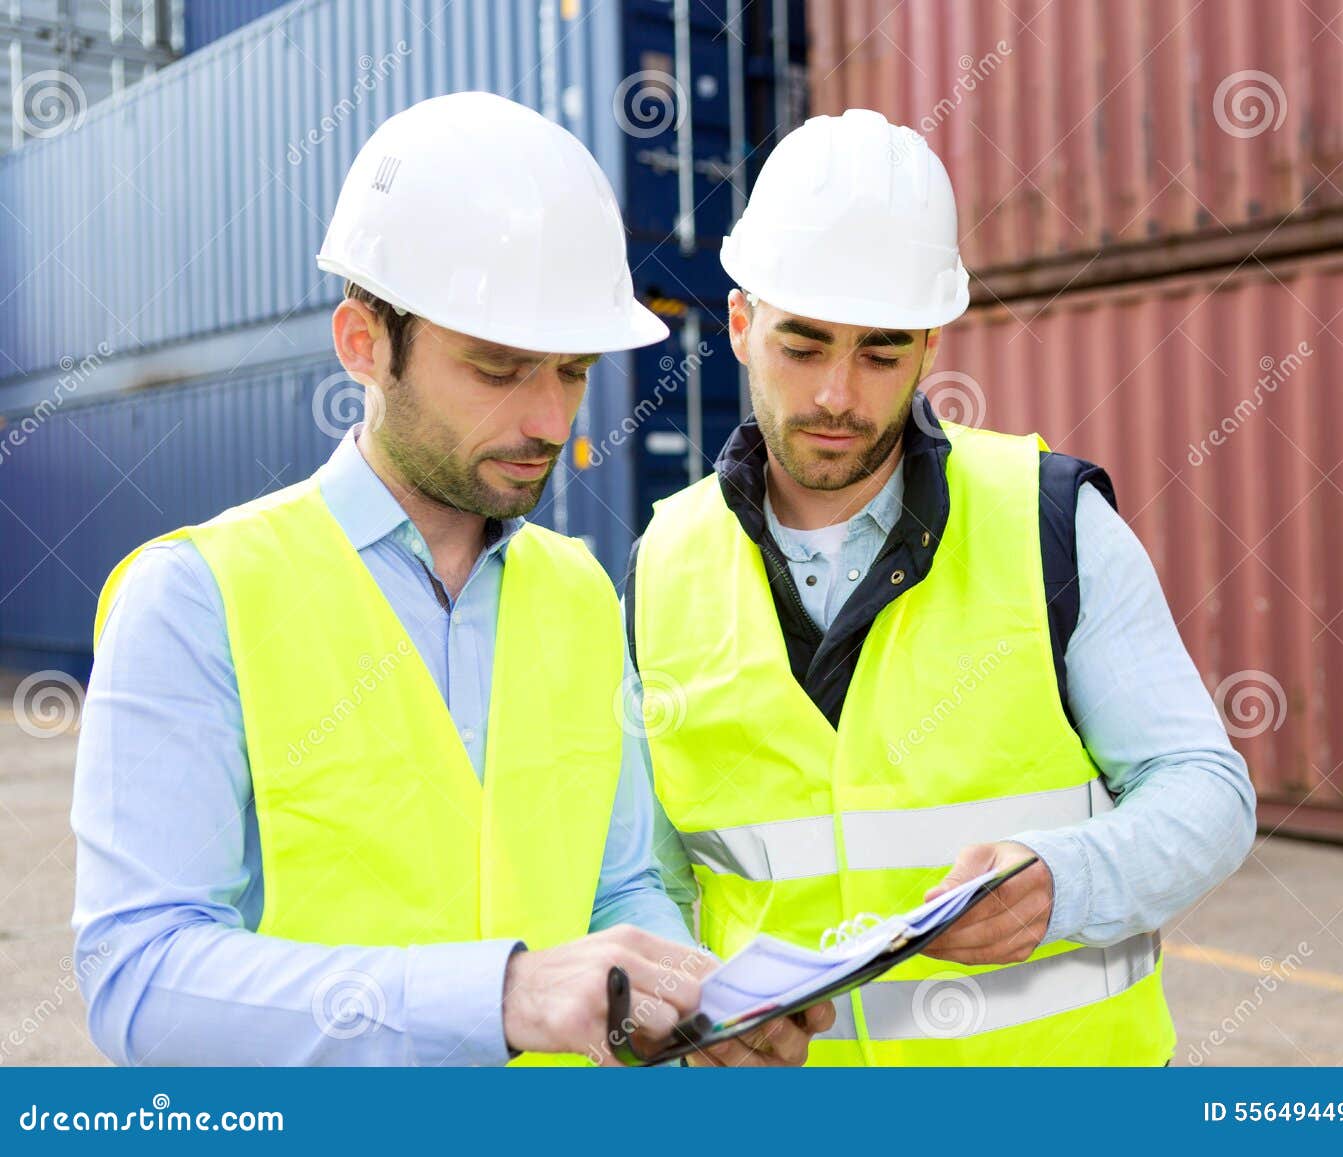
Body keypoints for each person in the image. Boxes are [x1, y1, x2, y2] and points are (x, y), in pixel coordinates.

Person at [69, 92, 831, 1067]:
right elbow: (138, 977)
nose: (551, 419)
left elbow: (624, 885)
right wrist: (501, 993)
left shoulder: (578, 591)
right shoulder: (195, 596)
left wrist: (695, 1002)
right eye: (498, 367)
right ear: (363, 343)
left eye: (570, 369)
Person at [625, 109, 1256, 1065]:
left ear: (930, 350)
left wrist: (1068, 880)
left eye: (881, 352)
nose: (839, 394)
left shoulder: (1050, 522)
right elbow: (656, 875)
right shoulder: (662, 562)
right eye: (805, 346)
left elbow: (1208, 792)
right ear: (743, 327)